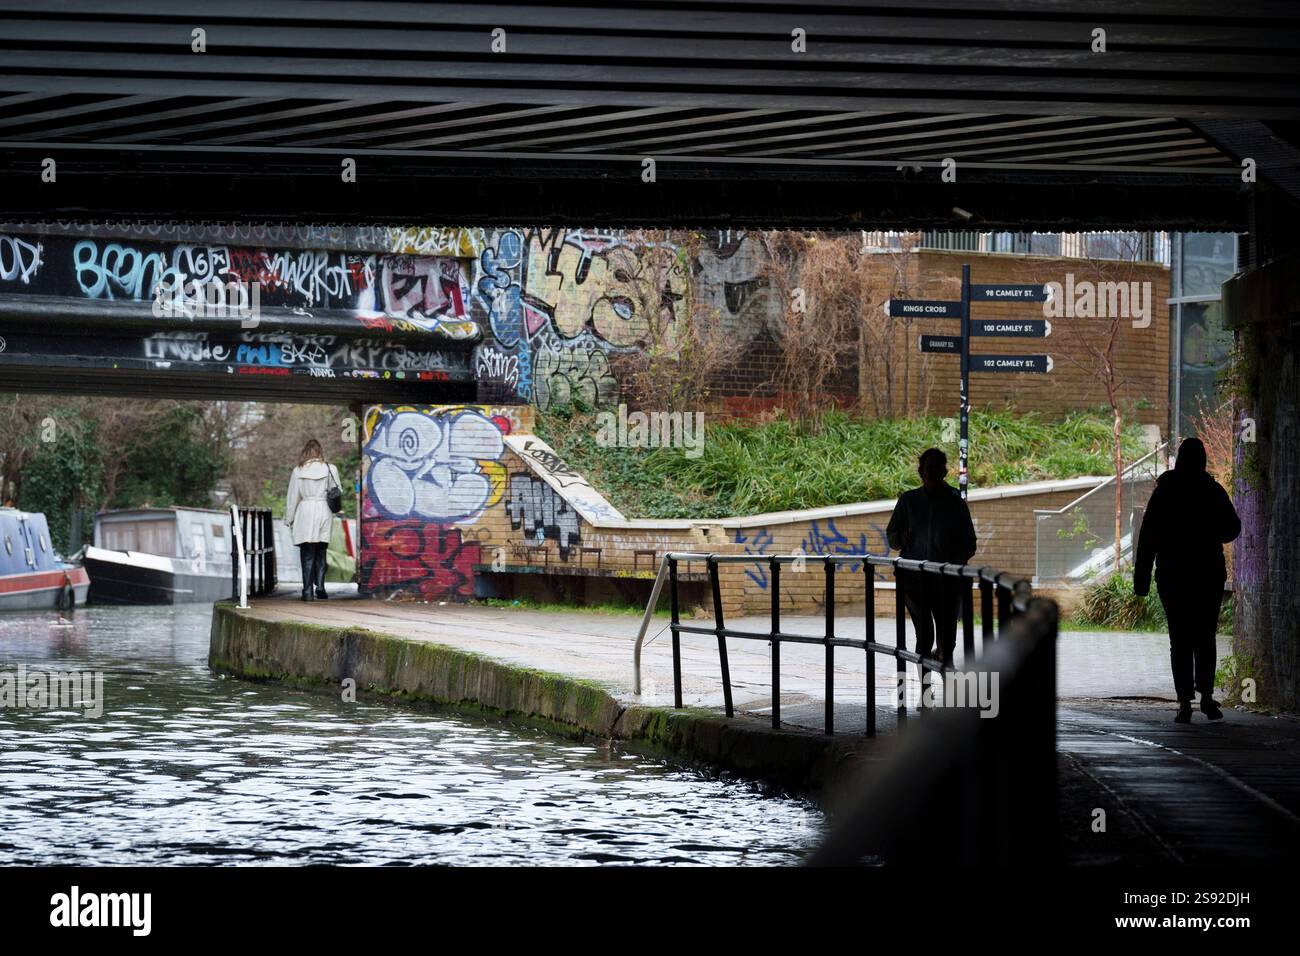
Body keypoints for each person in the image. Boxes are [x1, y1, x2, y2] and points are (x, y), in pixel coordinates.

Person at [1134, 437, 1240, 723]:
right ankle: (1206, 697)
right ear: (1202, 460)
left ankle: (1184, 702)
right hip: (1207, 574)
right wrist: (1209, 533)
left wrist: (1141, 580)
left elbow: (1148, 538)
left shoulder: (1164, 492)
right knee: (1205, 636)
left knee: (1179, 638)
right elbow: (1233, 528)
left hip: (1173, 574)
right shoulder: (1212, 491)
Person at [886, 448, 978, 677]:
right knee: (924, 636)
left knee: (947, 638)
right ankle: (926, 693)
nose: (933, 472)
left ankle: (945, 682)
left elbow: (970, 542)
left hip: (946, 582)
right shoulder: (908, 501)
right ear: (921, 472)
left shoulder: (955, 502)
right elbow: (892, 537)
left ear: (944, 472)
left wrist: (953, 562)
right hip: (915, 581)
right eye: (929, 468)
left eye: (938, 468)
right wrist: (901, 538)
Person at [285, 439, 341, 601]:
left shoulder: (298, 471)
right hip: (324, 509)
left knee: (307, 552)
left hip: (305, 510)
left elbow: (293, 496)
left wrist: (289, 518)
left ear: (305, 452)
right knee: (321, 550)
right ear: (320, 451)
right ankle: (321, 586)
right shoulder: (331, 469)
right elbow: (337, 490)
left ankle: (307, 590)